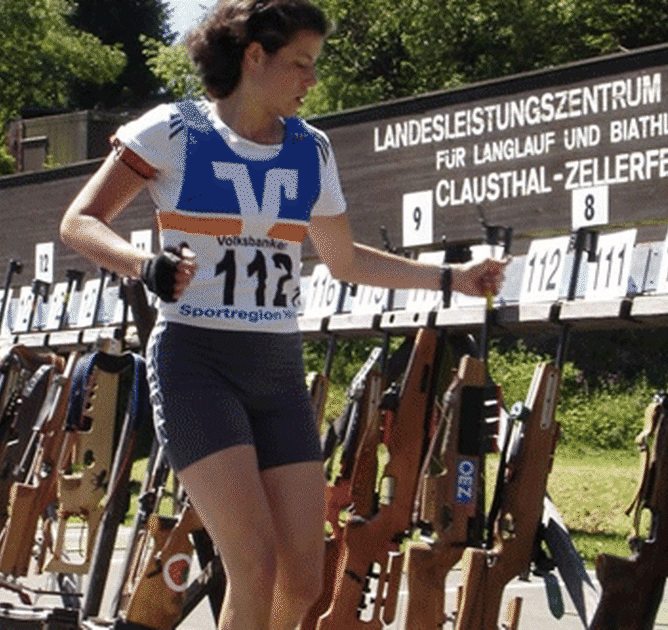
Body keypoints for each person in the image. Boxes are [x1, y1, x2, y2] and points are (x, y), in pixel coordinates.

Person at [59, 1, 507, 627]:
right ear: (253, 58)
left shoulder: (310, 148)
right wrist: (144, 264)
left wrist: (450, 279)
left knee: (300, 578)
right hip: (197, 362)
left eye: (314, 65)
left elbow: (344, 260)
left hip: (275, 368)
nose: (311, 79)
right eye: (300, 63)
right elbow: (79, 221)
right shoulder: (173, 129)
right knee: (255, 563)